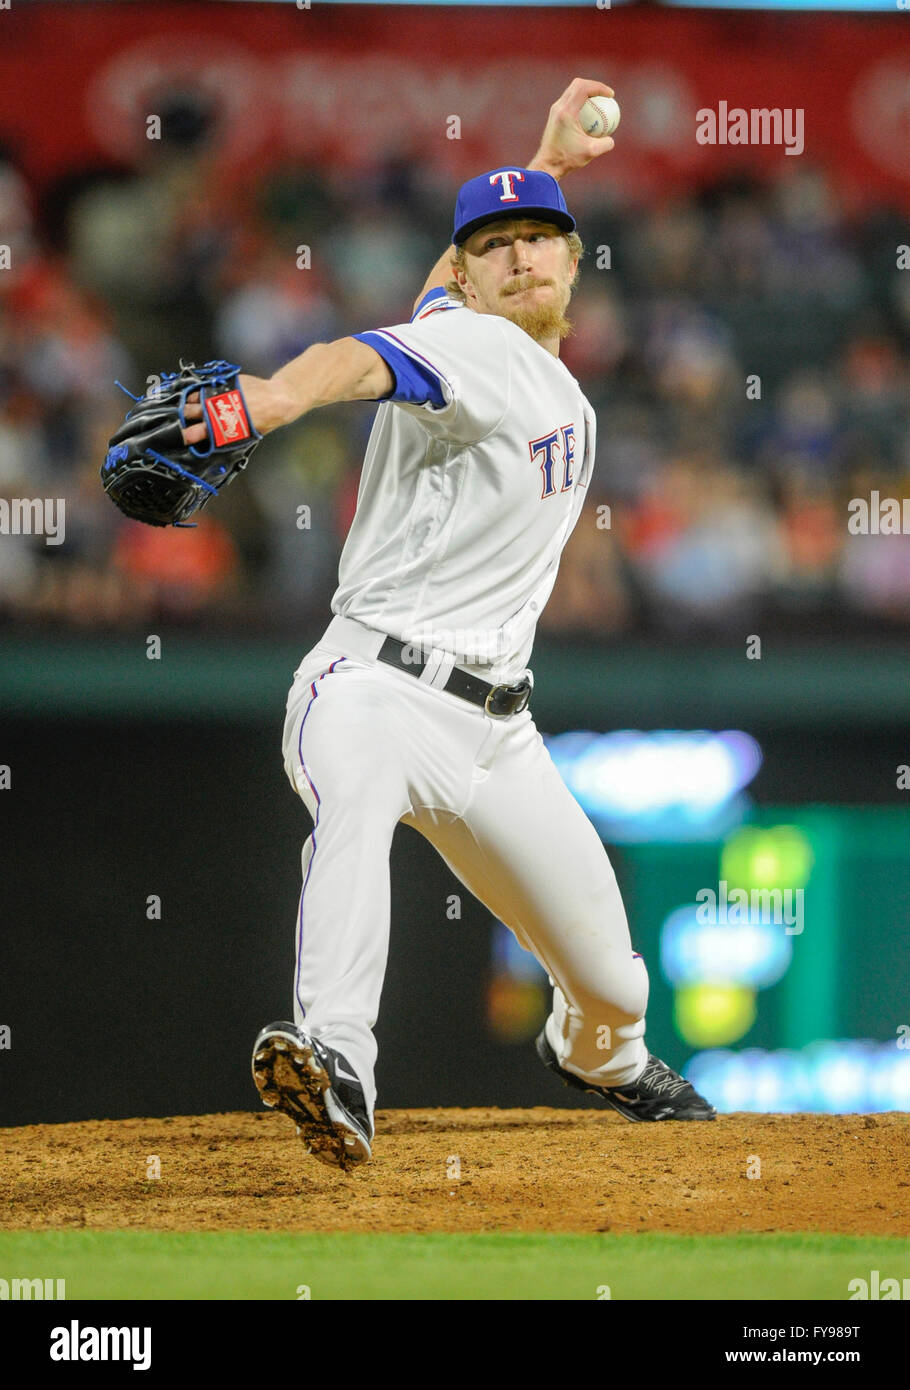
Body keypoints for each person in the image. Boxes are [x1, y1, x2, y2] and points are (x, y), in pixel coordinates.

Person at [184, 77, 715, 1169]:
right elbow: (360, 358)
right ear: (468, 276)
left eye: (538, 239)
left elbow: (426, 305)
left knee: (615, 985)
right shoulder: (475, 348)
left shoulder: (498, 348)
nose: (519, 257)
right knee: (353, 816)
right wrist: (276, 397)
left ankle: (602, 1056)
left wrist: (547, 163)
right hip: (370, 688)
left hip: (497, 735)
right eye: (493, 246)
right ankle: (336, 1062)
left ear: (573, 262)